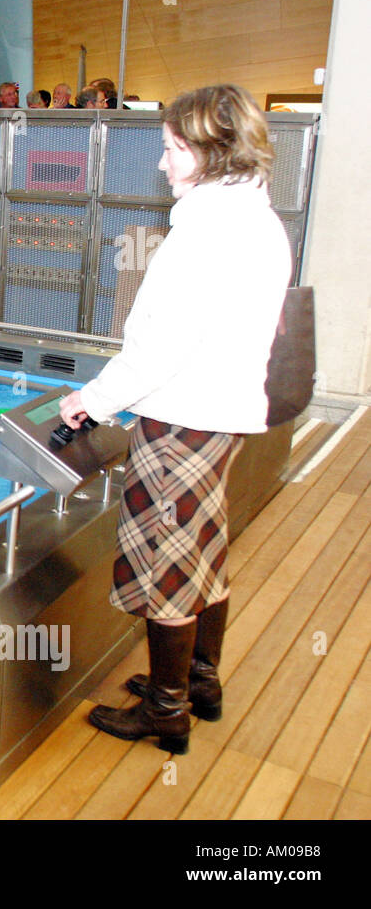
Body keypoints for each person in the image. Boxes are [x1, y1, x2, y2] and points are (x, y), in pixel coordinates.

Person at [58, 84, 292, 755]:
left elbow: (163, 345)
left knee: (165, 560)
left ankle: (166, 712)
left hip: (185, 416)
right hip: (227, 414)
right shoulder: (260, 219)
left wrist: (91, 401)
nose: (163, 163)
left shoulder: (207, 229)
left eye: (173, 148)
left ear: (212, 152)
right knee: (202, 544)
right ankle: (200, 680)